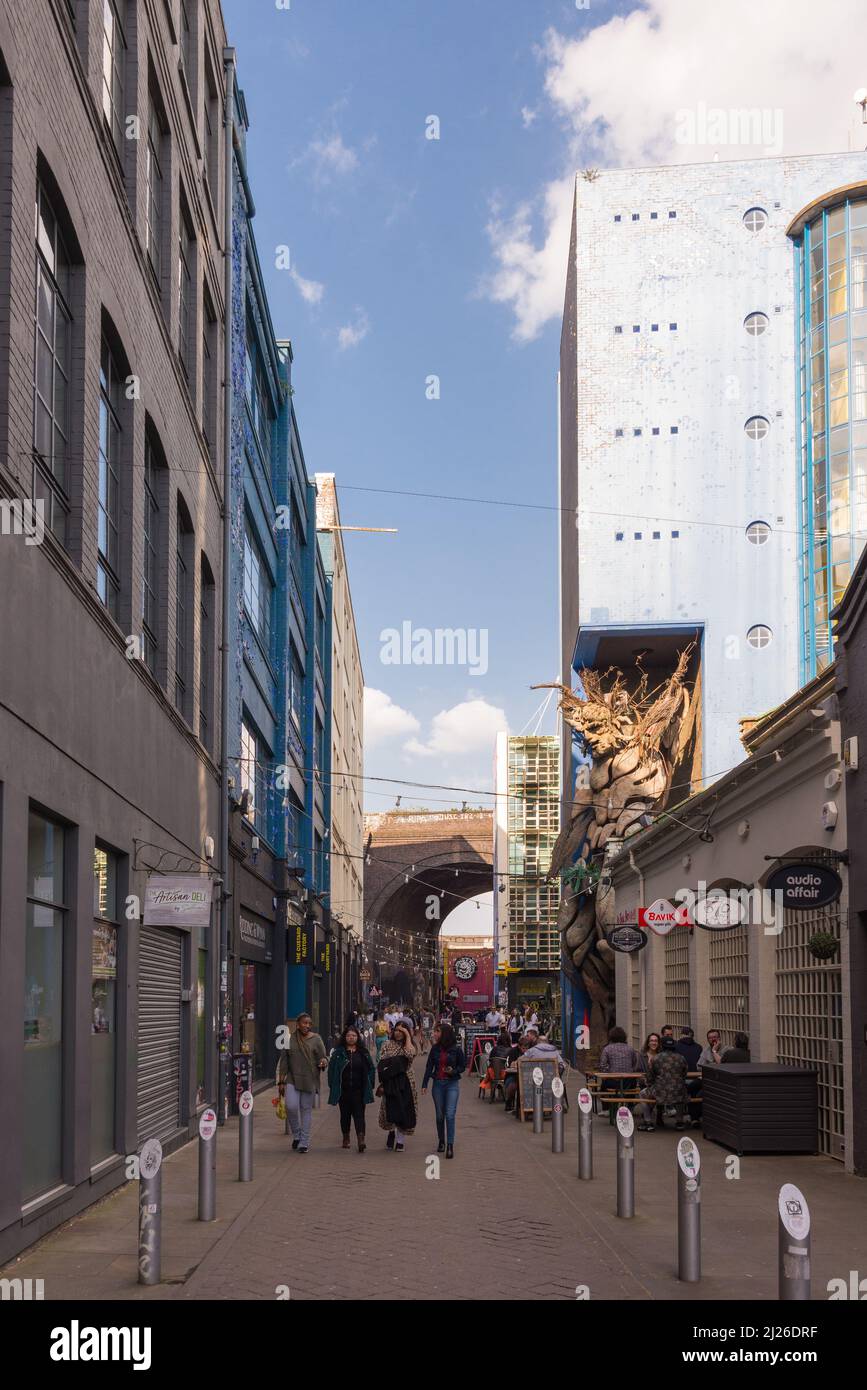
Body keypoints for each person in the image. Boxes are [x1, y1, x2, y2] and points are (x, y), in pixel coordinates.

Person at [276, 1013, 328, 1153]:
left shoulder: (316, 1039)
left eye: (309, 1023)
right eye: (304, 1023)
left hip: (310, 1079)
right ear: (298, 1024)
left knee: (306, 1110)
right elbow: (284, 1062)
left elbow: (323, 1057)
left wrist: (323, 1062)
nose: (307, 1025)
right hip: (293, 1079)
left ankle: (304, 1142)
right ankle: (297, 1134)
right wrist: (281, 1082)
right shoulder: (289, 1039)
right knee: (291, 1106)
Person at [422, 1022, 467, 1158]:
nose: (434, 1034)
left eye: (437, 1031)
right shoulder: (434, 1049)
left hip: (452, 1084)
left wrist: (453, 1071)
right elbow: (429, 1067)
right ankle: (441, 1140)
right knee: (440, 1115)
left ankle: (450, 1145)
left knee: (450, 1114)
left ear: (445, 1034)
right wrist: (424, 1084)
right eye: (434, 1031)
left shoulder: (456, 1049)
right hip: (438, 1085)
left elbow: (463, 1066)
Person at [327, 1025, 376, 1151]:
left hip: (359, 1090)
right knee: (345, 1115)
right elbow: (331, 1070)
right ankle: (346, 1137)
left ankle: (361, 1139)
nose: (351, 1038)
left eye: (354, 1035)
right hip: (343, 1091)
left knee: (359, 1115)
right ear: (345, 1037)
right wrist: (333, 1085)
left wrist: (370, 1083)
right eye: (349, 1035)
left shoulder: (363, 1052)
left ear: (357, 1037)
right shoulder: (339, 1052)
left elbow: (371, 1068)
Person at [377, 1017, 418, 1151]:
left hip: (406, 1081)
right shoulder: (387, 1044)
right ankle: (391, 1132)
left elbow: (410, 1054)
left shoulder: (410, 1045)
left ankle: (400, 1141)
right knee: (391, 1108)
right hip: (390, 1080)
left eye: (402, 1031)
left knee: (404, 1109)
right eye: (397, 1030)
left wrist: (407, 1037)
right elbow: (382, 1061)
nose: (398, 1033)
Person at [641, 1036, 689, 1131]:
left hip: (659, 1092)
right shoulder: (681, 1058)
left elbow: (650, 1077)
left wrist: (651, 1084)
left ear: (662, 1045)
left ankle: (648, 1122)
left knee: (642, 1094)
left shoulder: (656, 1058)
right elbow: (684, 1074)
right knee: (681, 1093)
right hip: (678, 1092)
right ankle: (679, 1121)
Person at [503, 1034, 532, 1112]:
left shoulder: (530, 1052)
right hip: (513, 1075)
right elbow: (509, 1065)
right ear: (519, 1046)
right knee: (512, 1086)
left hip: (526, 1076)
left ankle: (528, 1106)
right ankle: (509, 1102)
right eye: (523, 1048)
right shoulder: (513, 1051)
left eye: (527, 1048)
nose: (525, 1050)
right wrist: (514, 1063)